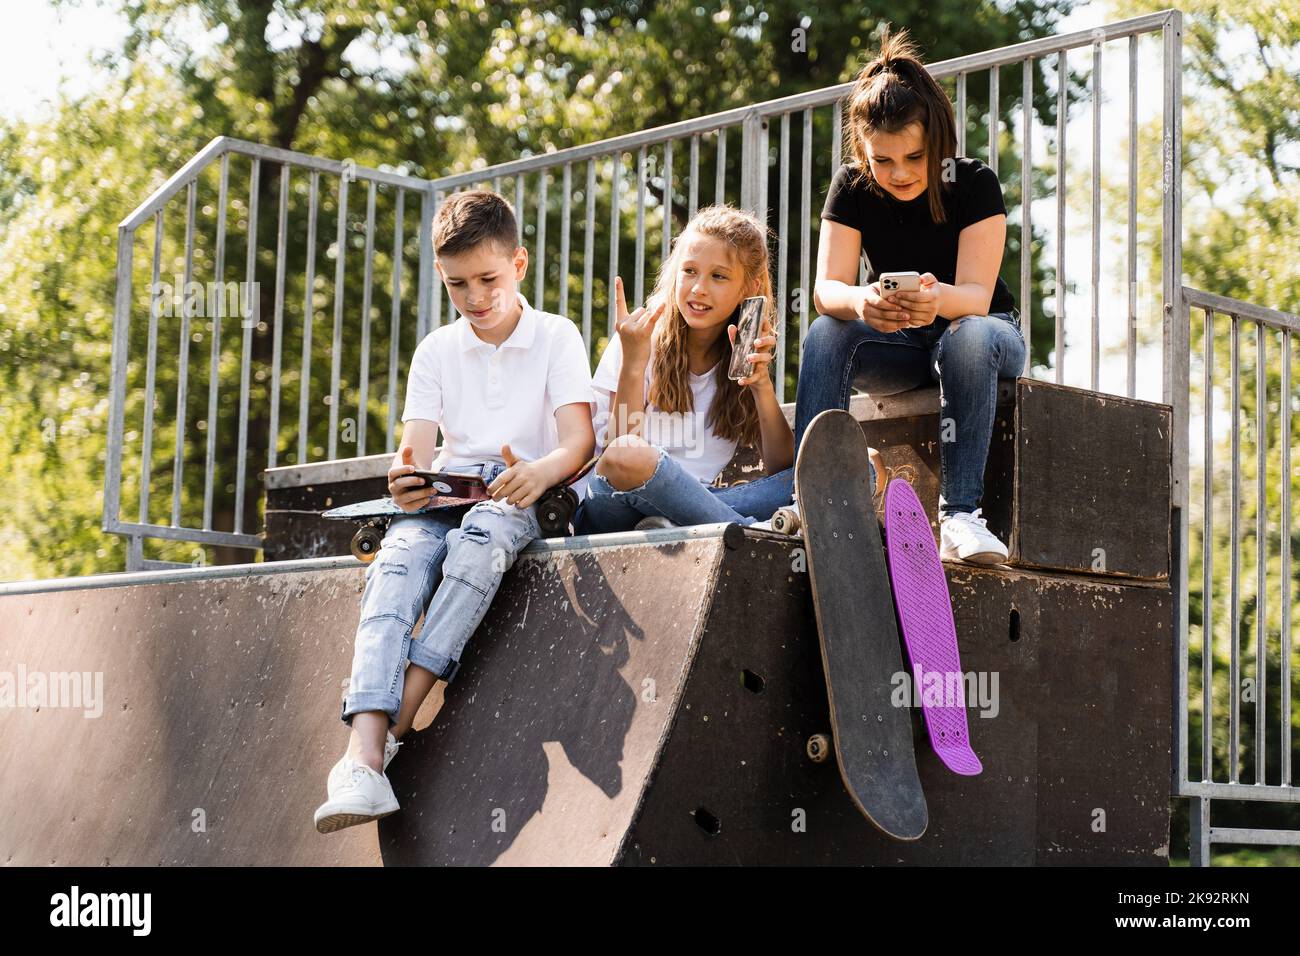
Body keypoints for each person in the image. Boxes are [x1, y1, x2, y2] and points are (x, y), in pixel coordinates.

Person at [314, 190, 596, 833]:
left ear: (519, 266)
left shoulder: (556, 335)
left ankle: (391, 730)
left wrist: (538, 471)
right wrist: (405, 482)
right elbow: (411, 453)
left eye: (488, 279)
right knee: (398, 560)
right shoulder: (437, 350)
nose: (475, 297)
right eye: (457, 284)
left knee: (479, 548)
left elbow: (578, 442)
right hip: (446, 492)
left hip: (519, 490)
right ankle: (360, 757)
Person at [794, 25, 1027, 564]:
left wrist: (935, 299)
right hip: (903, 345)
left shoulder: (975, 183)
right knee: (827, 331)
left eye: (915, 158)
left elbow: (975, 295)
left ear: (938, 141)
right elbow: (826, 290)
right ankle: (811, 499)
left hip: (985, 334)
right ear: (863, 151)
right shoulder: (851, 188)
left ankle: (961, 517)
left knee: (966, 335)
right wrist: (862, 303)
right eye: (882, 161)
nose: (899, 173)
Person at [577, 205, 794, 534]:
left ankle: (681, 524)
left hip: (701, 503)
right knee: (629, 455)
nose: (698, 288)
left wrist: (761, 385)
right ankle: (753, 534)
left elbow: (782, 468)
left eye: (718, 276)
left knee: (861, 464)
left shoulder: (741, 353)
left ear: (749, 289)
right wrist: (633, 362)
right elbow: (616, 458)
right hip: (613, 504)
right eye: (689, 271)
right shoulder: (638, 337)